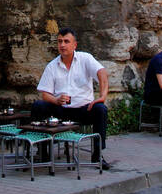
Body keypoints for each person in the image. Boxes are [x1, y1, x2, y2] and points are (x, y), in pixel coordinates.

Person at [32, 28, 112, 164]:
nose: (62, 45)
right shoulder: (52, 66)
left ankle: (97, 154)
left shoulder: (85, 58)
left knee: (100, 109)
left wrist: (102, 96)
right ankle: (42, 151)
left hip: (83, 109)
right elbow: (45, 94)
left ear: (74, 45)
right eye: (59, 42)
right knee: (38, 106)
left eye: (66, 41)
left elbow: (102, 73)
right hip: (61, 111)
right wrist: (56, 100)